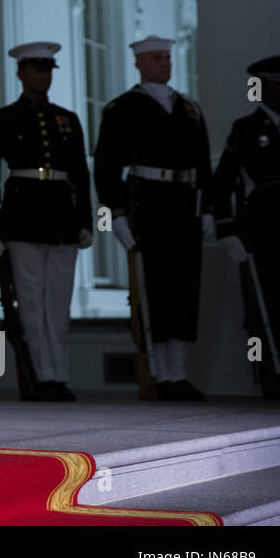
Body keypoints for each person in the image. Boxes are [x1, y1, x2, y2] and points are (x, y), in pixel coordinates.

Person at [94, 35, 214, 401]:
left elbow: (204, 163)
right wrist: (114, 214)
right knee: (155, 289)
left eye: (167, 57)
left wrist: (208, 208)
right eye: (157, 58)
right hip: (147, 202)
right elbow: (106, 165)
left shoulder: (189, 107)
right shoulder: (123, 108)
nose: (165, 63)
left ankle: (178, 372)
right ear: (139, 62)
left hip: (183, 204)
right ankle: (160, 374)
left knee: (184, 289)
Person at [0, 42, 93, 401]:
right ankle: (38, 374)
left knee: (58, 301)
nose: (44, 75)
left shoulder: (68, 119)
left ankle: (58, 374)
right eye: (37, 69)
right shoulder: (3, 119)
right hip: (22, 218)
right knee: (29, 301)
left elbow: (80, 175)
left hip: (62, 220)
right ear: (21, 72)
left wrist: (85, 219)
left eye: (48, 69)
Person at [211, 54, 280, 399]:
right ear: (261, 86)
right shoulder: (246, 130)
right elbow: (223, 183)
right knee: (273, 307)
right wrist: (227, 229)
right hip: (268, 230)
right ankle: (275, 376)